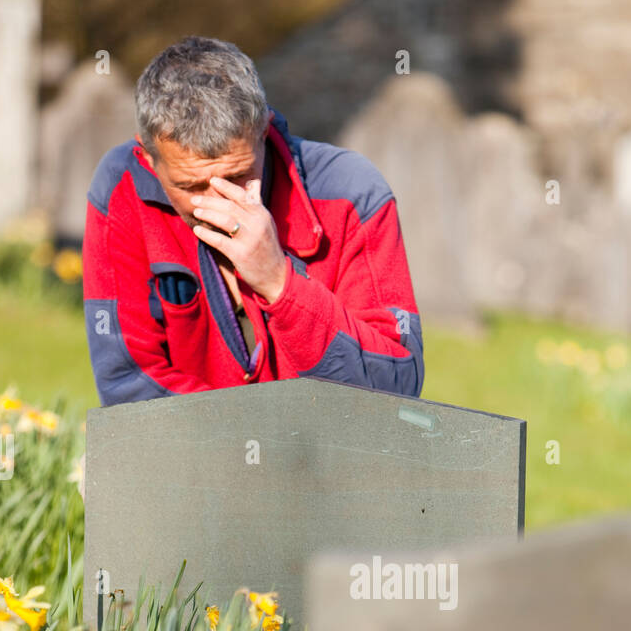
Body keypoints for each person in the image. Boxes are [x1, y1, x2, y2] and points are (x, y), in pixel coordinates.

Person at [82, 36, 423, 406]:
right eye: (191, 185)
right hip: (190, 458)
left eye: (239, 176)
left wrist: (280, 283)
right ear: (148, 157)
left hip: (333, 457)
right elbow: (126, 385)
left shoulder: (352, 191)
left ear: (263, 129)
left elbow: (396, 388)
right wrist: (252, 441)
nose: (218, 203)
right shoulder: (121, 187)